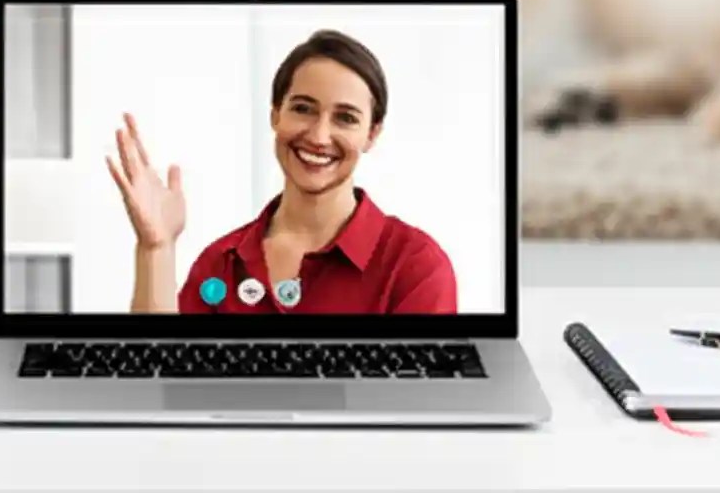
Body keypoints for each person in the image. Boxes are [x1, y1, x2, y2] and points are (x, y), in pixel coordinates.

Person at [105, 29, 458, 314]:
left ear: (372, 134)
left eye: (345, 118)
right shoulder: (220, 264)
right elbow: (165, 380)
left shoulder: (414, 266)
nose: (319, 136)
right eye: (303, 108)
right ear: (276, 115)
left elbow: (418, 401)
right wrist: (156, 248)